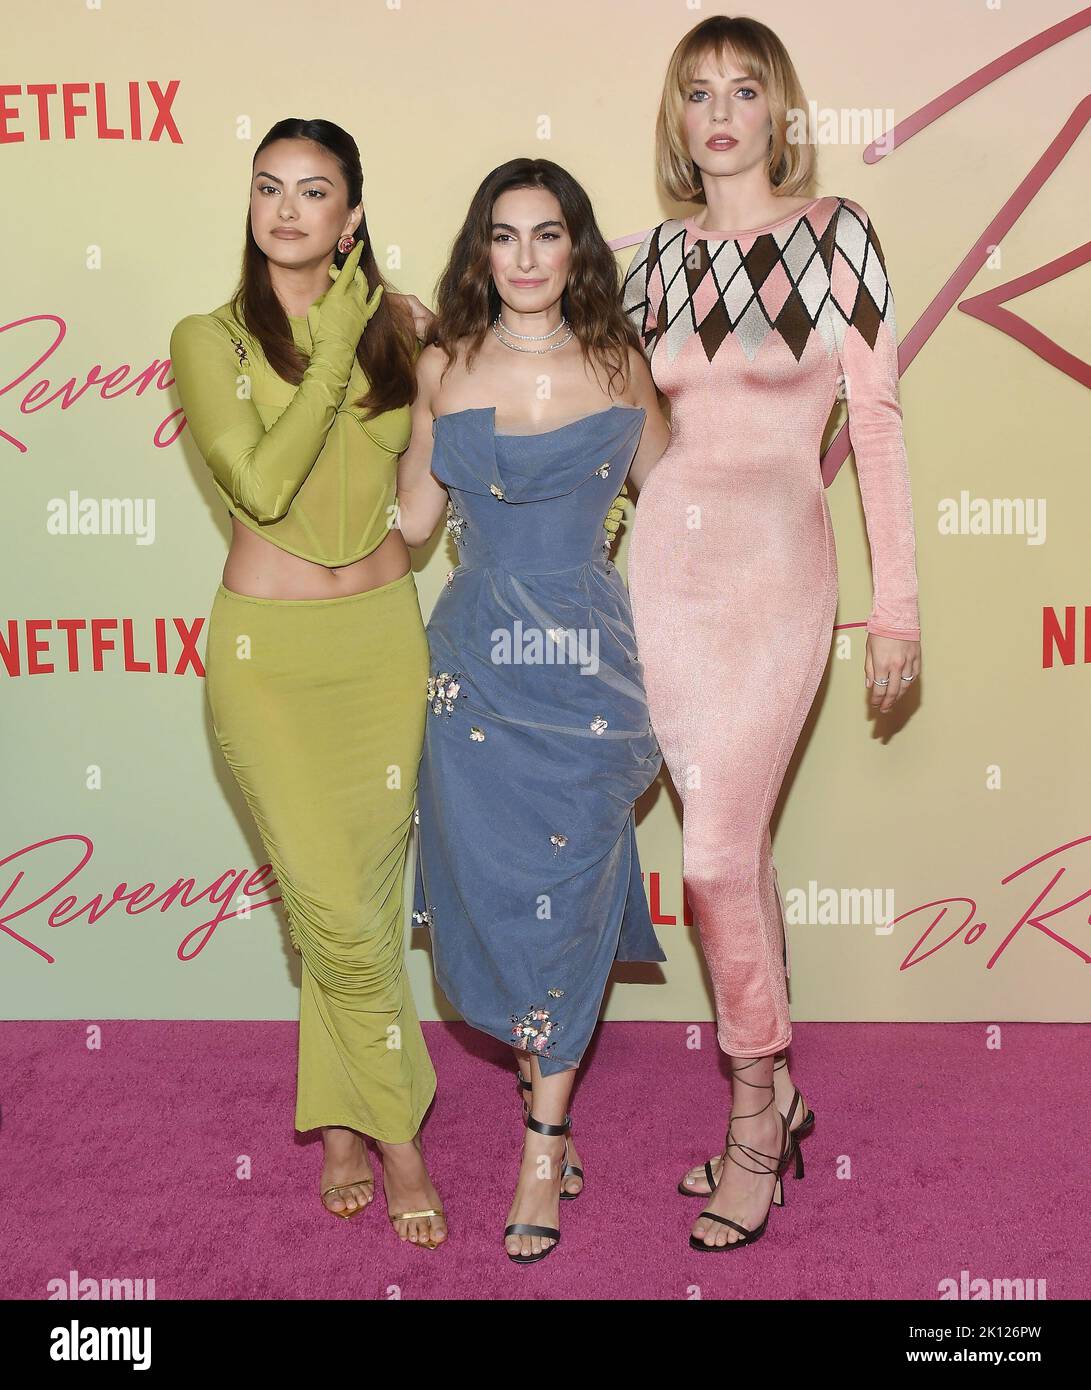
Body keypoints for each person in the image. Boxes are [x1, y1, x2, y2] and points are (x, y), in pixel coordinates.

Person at [621, 15, 922, 1251]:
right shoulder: (644, 263)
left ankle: (754, 1111)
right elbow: (615, 425)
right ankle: (778, 1092)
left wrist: (893, 601)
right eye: (698, 94)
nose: (721, 112)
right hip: (664, 574)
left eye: (744, 89)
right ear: (678, 122)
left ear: (777, 107)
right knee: (729, 849)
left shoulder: (834, 233)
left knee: (707, 863)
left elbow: (879, 427)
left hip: (781, 570)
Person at [169, 117, 446, 1248]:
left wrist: (438, 380)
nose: (286, 209)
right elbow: (262, 486)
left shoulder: (403, 329)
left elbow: (419, 510)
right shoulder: (206, 337)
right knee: (334, 916)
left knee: (364, 911)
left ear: (352, 215)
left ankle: (334, 1121)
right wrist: (335, 340)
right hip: (267, 666)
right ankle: (400, 1139)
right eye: (268, 187)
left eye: (314, 191)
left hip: (383, 647)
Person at [395, 157, 670, 1262]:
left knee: (570, 883)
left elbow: (681, 505)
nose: (522, 258)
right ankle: (541, 1107)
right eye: (501, 237)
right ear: (479, 252)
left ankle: (543, 1147)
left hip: (589, 674)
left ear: (576, 248)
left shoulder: (618, 364)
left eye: (544, 235)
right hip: (471, 677)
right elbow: (412, 525)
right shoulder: (439, 366)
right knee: (504, 897)